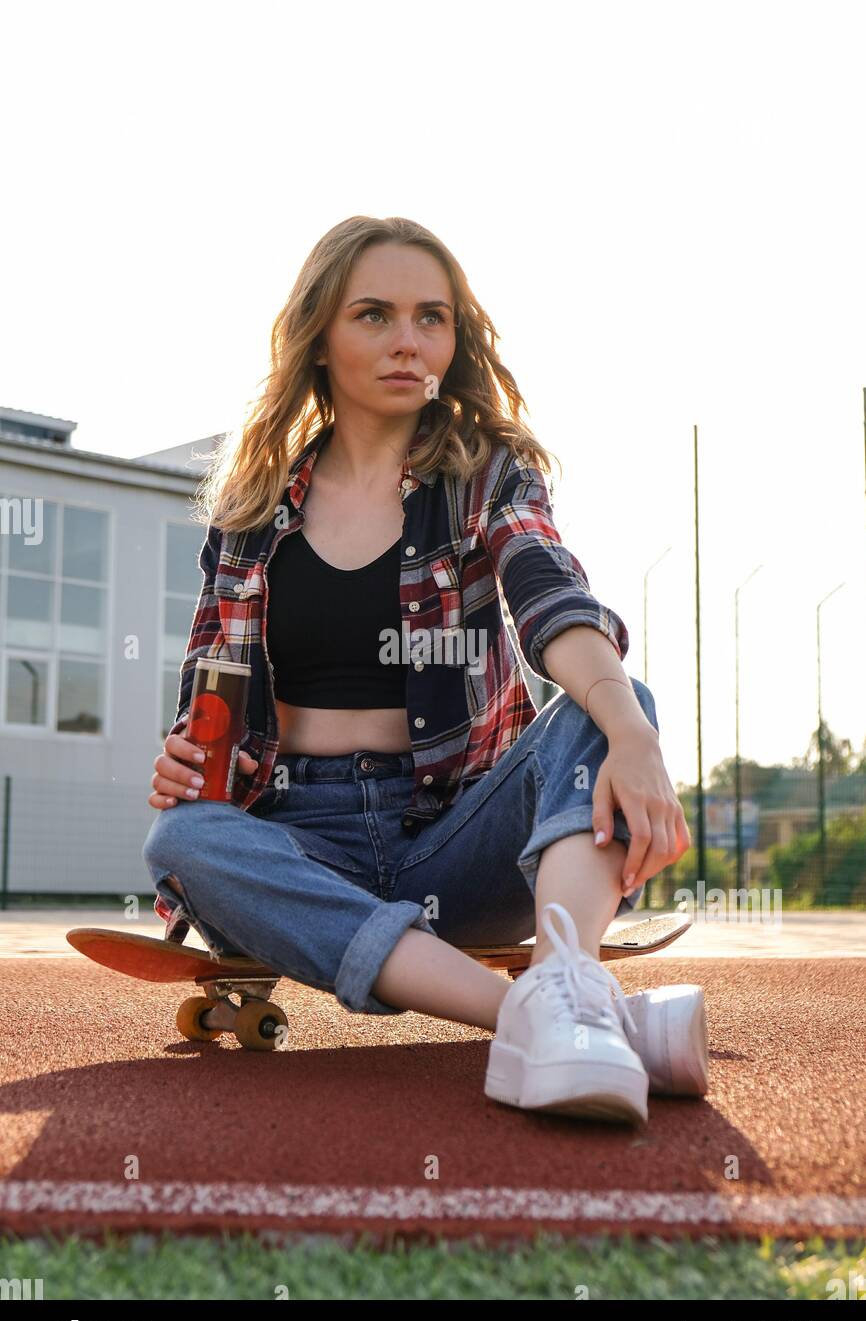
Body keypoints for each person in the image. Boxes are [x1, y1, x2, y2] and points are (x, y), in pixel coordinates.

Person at [142, 215, 704, 1126]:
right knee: (180, 841)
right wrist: (188, 767)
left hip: (460, 837)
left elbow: (550, 596)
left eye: (431, 317)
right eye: (374, 315)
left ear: (455, 335)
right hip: (303, 842)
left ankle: (566, 984)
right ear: (319, 336)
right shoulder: (250, 507)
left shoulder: (487, 473)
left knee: (612, 706)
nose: (409, 341)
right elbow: (214, 703)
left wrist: (634, 736)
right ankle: (554, 1018)